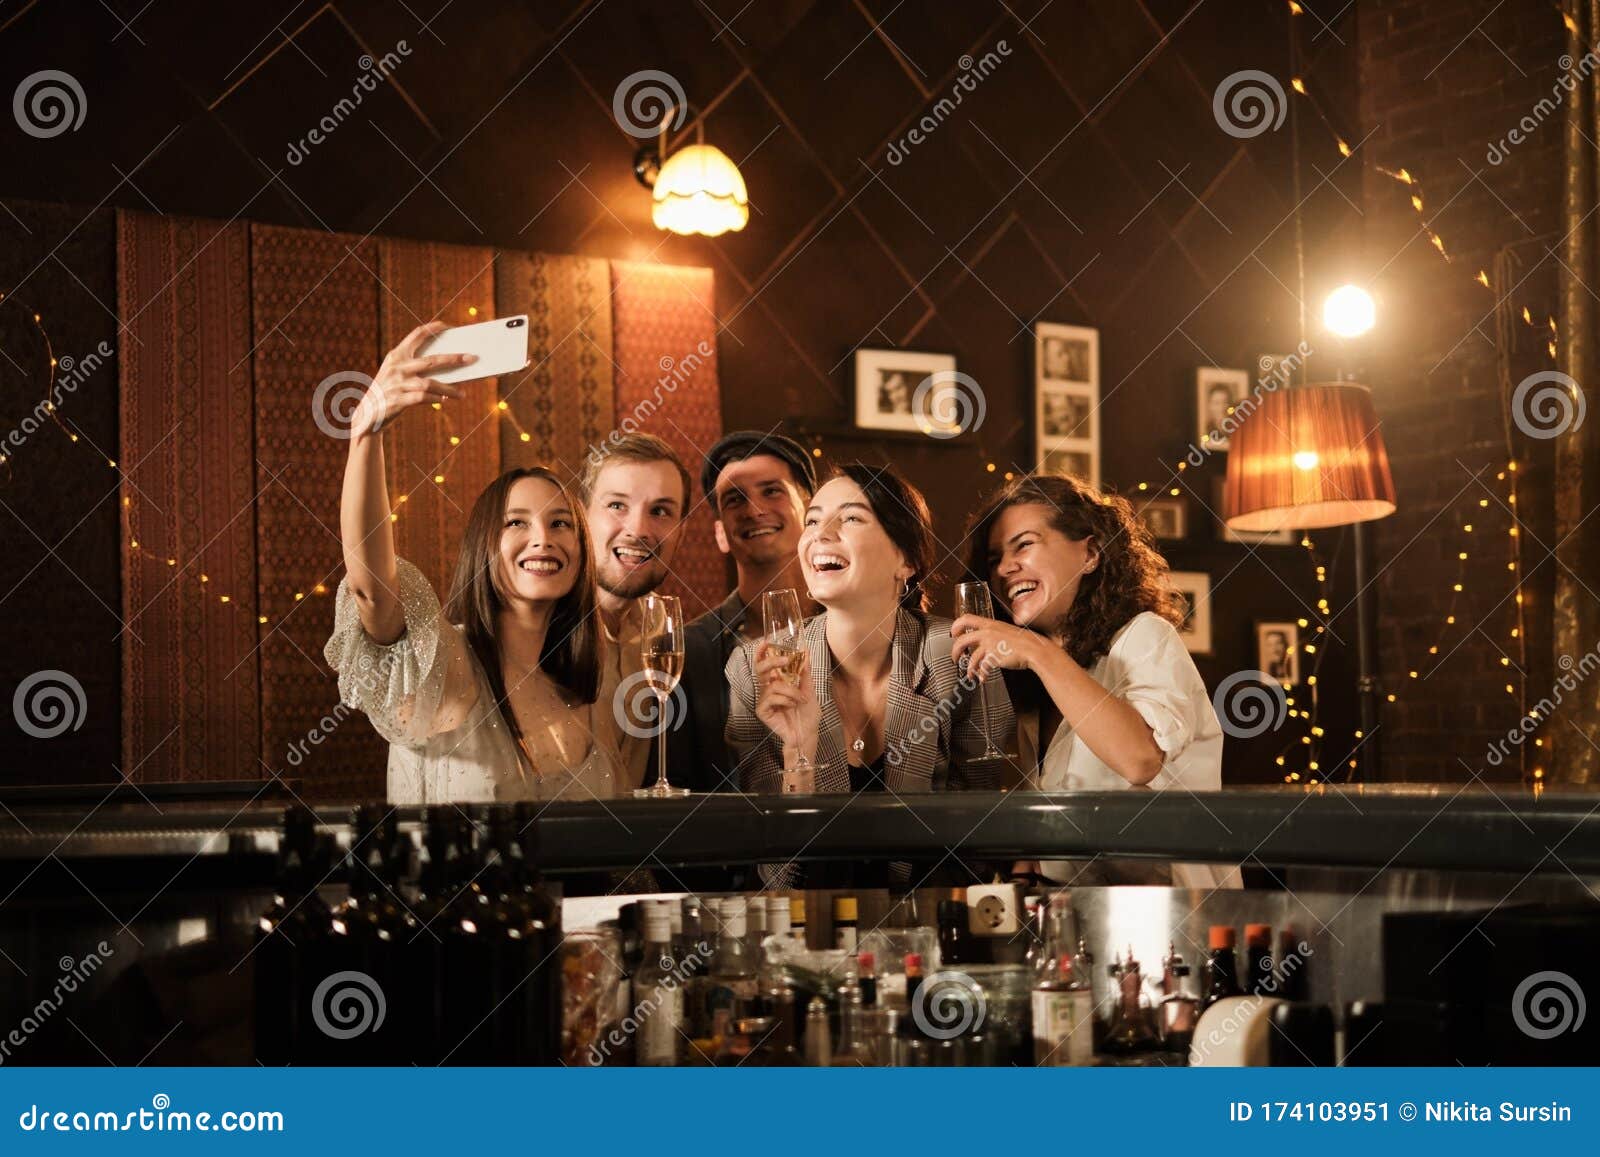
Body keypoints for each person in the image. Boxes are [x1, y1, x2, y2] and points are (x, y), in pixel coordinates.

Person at [324, 321, 615, 803]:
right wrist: (364, 433)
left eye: (561, 523)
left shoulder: (578, 690)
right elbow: (371, 589)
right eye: (516, 523)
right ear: (484, 545)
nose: (542, 539)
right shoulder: (447, 663)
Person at [725, 462, 1013, 885]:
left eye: (852, 518)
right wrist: (798, 752)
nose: (820, 535)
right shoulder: (754, 671)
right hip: (809, 931)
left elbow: (981, 843)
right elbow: (777, 874)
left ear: (907, 560)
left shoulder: (958, 657)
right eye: (813, 520)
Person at [954, 472, 1241, 890]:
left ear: (1090, 553)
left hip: (1178, 923)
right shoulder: (1029, 684)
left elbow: (1139, 759)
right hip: (1081, 926)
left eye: (1025, 545)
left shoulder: (1145, 635)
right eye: (996, 557)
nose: (1004, 568)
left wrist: (1036, 651)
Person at [667, 430, 816, 793]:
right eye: (735, 500)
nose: (754, 510)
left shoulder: (856, 629)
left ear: (811, 512)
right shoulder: (687, 651)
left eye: (772, 490)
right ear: (720, 534)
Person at [579, 433, 690, 794]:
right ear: (581, 514)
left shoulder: (659, 625)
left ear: (681, 531)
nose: (638, 530)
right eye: (616, 505)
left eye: (660, 511)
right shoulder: (532, 626)